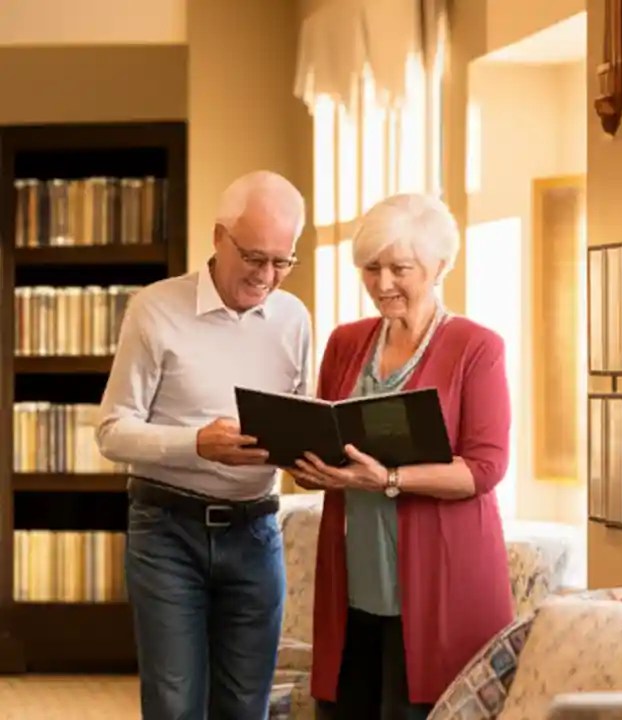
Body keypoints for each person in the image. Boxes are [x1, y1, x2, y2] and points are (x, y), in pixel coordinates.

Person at [96, 171, 312, 719]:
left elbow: (302, 420)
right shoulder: (154, 308)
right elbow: (111, 431)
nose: (266, 276)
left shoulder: (294, 319)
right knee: (174, 705)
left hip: (257, 531)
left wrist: (313, 460)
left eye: (282, 262)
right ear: (219, 237)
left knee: (246, 706)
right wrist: (196, 444)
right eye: (254, 257)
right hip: (168, 532)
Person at [289, 193, 513, 719]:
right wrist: (314, 467)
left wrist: (389, 478)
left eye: (399, 268)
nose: (383, 283)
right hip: (354, 581)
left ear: (439, 266)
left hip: (441, 584)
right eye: (371, 268)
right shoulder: (346, 343)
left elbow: (485, 468)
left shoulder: (476, 347)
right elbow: (330, 441)